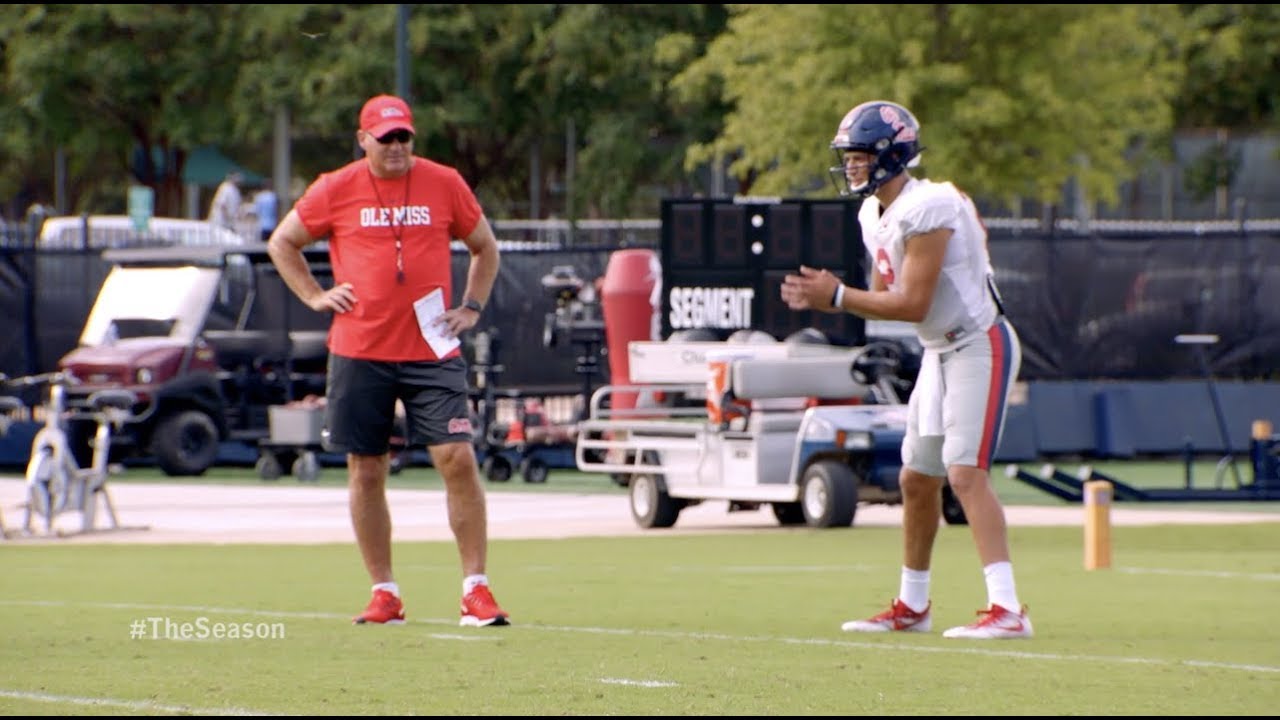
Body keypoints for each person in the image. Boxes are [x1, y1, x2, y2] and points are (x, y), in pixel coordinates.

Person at [780, 100, 1030, 639]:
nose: (852, 166)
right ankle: (913, 605)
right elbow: (887, 296)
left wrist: (839, 296)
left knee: (964, 474)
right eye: (848, 157)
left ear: (891, 156)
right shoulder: (874, 213)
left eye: (861, 156)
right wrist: (844, 297)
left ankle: (1008, 609)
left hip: (978, 344)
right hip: (940, 352)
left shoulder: (931, 205)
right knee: (917, 478)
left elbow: (911, 302)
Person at [266, 93, 507, 627]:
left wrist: (471, 306)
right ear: (364, 140)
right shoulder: (335, 186)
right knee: (366, 469)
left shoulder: (444, 182)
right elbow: (283, 242)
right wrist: (314, 296)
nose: (396, 147)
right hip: (359, 351)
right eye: (386, 138)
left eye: (404, 137)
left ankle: (476, 589)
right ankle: (384, 593)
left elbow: (485, 247)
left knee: (458, 459)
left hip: (431, 348)